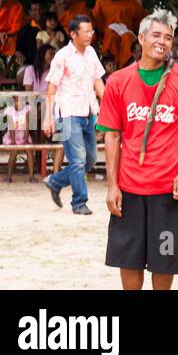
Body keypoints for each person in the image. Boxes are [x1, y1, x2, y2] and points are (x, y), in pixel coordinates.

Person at [97, 9, 178, 290]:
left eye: (168, 37)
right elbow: (111, 136)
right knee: (129, 258)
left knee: (164, 259)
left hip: (168, 190)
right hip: (130, 187)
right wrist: (112, 185)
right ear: (141, 39)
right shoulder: (118, 82)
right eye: (156, 35)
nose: (163, 41)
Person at [42, 15, 106, 215]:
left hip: (89, 111)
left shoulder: (91, 53)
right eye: (86, 31)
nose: (90, 35)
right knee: (78, 159)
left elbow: (97, 81)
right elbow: (51, 88)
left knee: (90, 159)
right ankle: (79, 202)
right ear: (73, 34)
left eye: (91, 31)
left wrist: (106, 107)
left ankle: (55, 181)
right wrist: (48, 117)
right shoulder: (62, 56)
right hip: (68, 113)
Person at [91, 0, 146, 68]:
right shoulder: (100, 3)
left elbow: (143, 20)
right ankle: (109, 62)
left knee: (128, 37)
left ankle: (124, 65)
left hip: (127, 33)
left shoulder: (132, 3)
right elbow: (94, 19)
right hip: (109, 35)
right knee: (111, 36)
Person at [2, 93, 36, 183]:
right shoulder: (9, 110)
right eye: (17, 101)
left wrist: (25, 139)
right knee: (14, 151)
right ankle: (9, 177)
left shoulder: (26, 109)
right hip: (12, 135)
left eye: (21, 101)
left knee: (29, 151)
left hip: (23, 134)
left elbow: (27, 125)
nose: (19, 103)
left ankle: (32, 177)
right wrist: (13, 141)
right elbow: (11, 127)